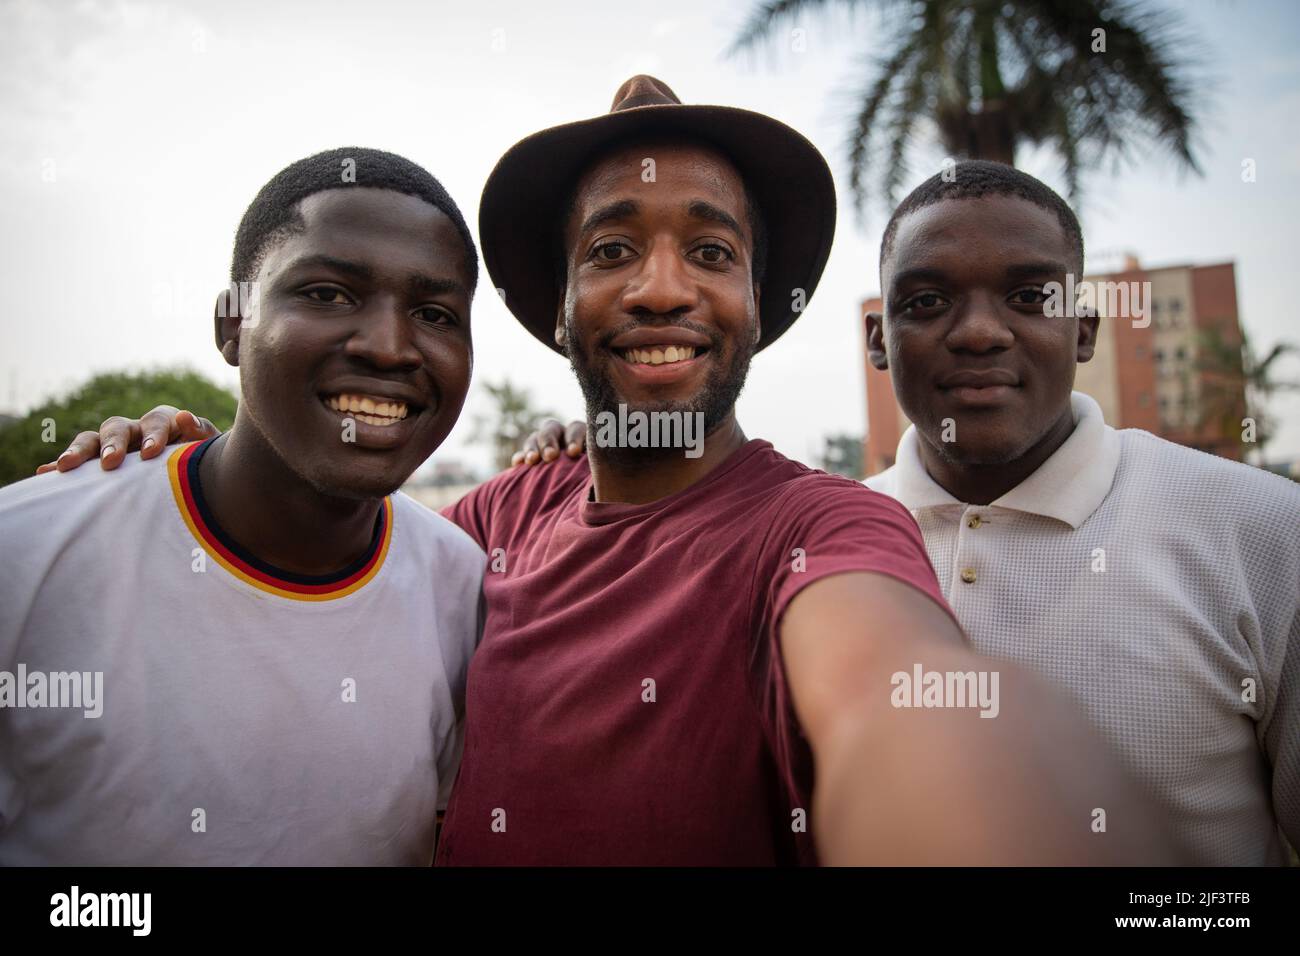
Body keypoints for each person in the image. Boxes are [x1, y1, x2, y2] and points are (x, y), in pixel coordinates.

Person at [39, 80, 1175, 866]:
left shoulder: (823, 529)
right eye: (613, 249)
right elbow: (312, 538)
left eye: (713, 252)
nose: (662, 289)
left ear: (757, 312)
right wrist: (165, 466)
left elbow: (889, 693)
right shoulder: (488, 523)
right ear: (558, 313)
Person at [514, 160, 1300, 866]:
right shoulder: (823, 535)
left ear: (1084, 328)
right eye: (926, 301)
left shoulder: (1264, 531)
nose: (981, 333)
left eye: (1030, 297)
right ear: (879, 340)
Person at [1, 148, 486, 864]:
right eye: (327, 294)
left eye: (435, 312)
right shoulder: (27, 552)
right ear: (233, 324)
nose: (388, 348)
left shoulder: (463, 589)